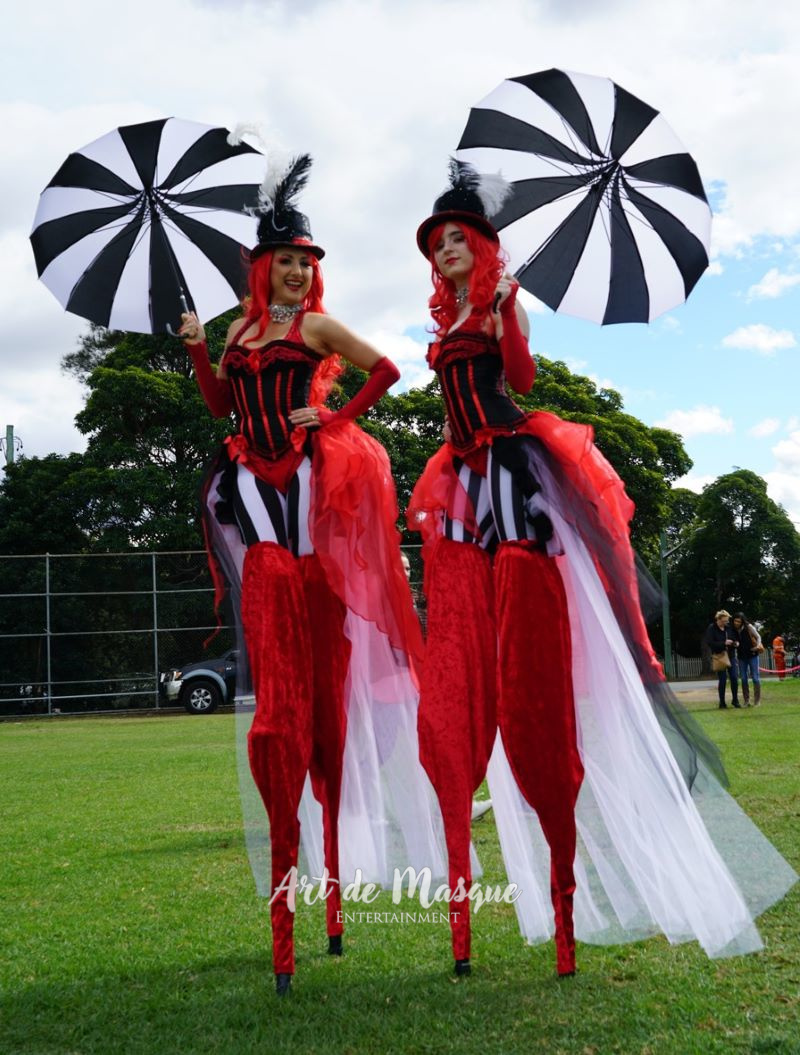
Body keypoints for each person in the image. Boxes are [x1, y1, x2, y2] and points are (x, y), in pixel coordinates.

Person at [408, 160, 797, 980]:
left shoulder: (500, 304)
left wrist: (507, 314)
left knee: (536, 682)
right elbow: (454, 410)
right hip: (465, 483)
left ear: (481, 245)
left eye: (456, 238)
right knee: (462, 670)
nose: (444, 250)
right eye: (436, 243)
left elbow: (520, 380)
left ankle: (563, 909)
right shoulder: (444, 325)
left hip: (517, 473)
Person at [183, 151, 443, 996]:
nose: (298, 272)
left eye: (306, 261)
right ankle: (287, 911)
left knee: (325, 698)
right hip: (253, 507)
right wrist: (198, 352)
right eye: (287, 261)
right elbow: (221, 406)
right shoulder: (238, 333)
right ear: (262, 267)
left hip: (307, 495)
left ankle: (327, 899)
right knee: (277, 706)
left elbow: (387, 369)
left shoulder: (317, 329)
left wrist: (331, 415)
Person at [705, 610, 741, 709]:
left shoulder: (729, 628)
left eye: (727, 621)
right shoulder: (712, 628)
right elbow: (710, 642)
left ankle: (735, 700)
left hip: (731, 655)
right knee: (723, 679)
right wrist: (723, 643)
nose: (726, 622)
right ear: (718, 619)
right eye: (724, 621)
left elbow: (736, 638)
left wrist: (736, 643)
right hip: (719, 656)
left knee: (734, 677)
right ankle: (722, 702)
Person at [732, 611, 762, 706]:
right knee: (743, 679)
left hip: (752, 655)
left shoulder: (749, 627)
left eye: (739, 621)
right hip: (741, 656)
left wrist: (758, 646)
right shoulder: (733, 630)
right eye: (735, 621)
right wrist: (735, 644)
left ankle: (757, 701)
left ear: (742, 621)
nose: (736, 623)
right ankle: (746, 700)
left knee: (755, 678)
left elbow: (758, 637)